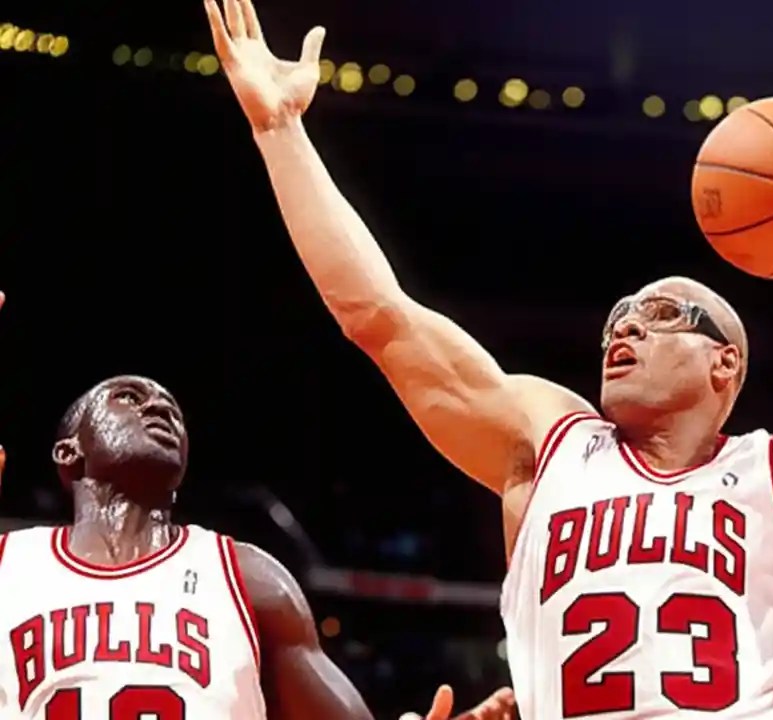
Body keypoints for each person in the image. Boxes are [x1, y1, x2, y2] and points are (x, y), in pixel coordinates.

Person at [203, 0, 773, 715]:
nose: (623, 330)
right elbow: (378, 315)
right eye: (617, 320)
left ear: (724, 364)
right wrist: (280, 131)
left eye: (661, 315)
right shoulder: (549, 445)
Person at [0, 299, 512, 720]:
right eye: (128, 399)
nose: (157, 408)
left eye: (171, 409)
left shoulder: (251, 579)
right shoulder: (8, 565)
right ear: (69, 453)